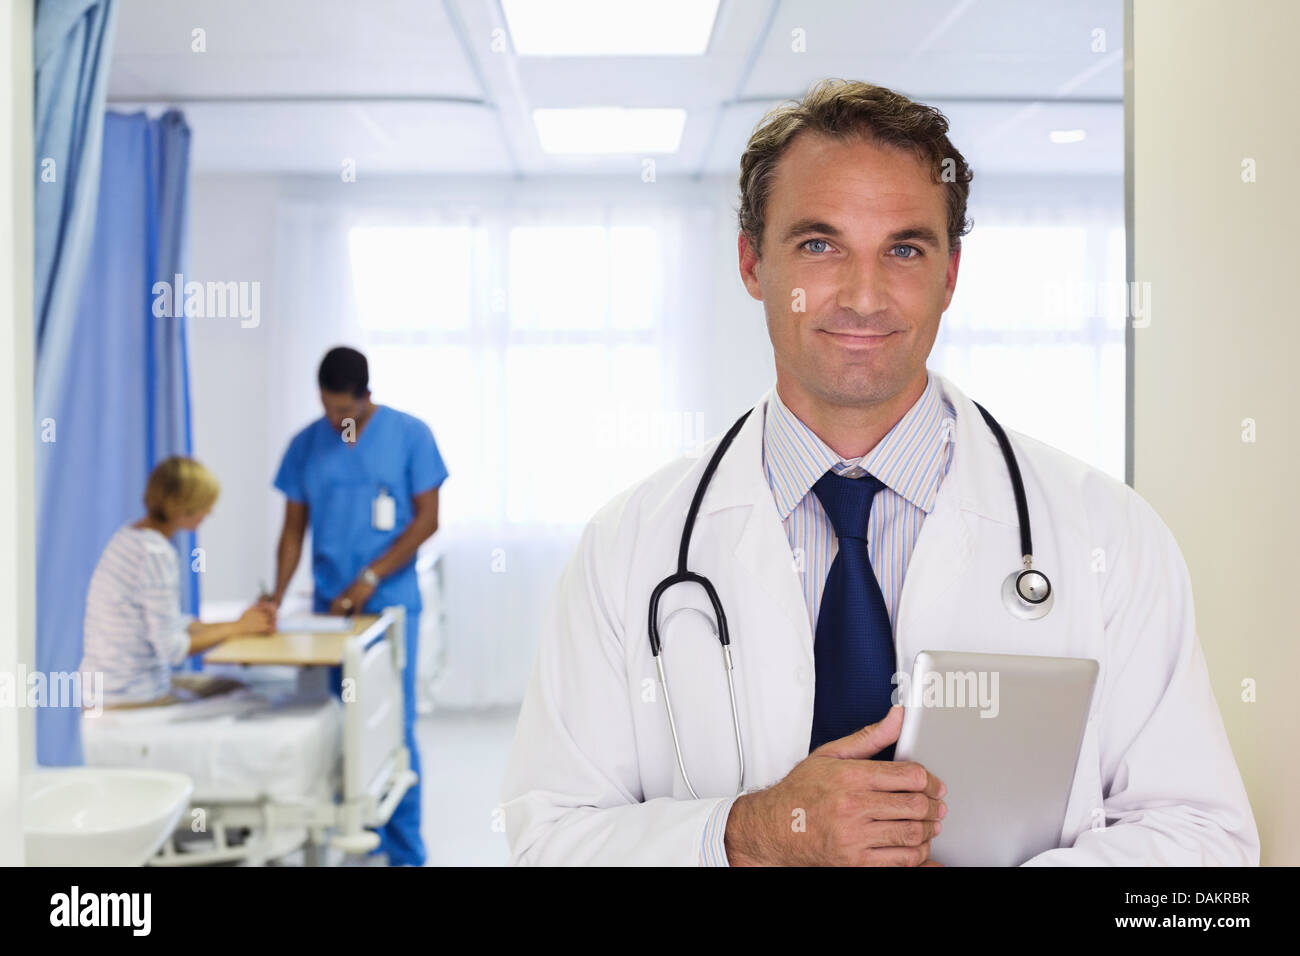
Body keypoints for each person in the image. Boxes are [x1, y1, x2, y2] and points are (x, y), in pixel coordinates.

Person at [499, 80, 1259, 866]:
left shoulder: (1106, 535)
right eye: (819, 245)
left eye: (904, 249)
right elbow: (548, 842)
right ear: (753, 263)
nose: (863, 296)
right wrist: (747, 834)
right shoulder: (628, 548)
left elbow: (1207, 849)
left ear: (950, 274)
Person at [267, 345, 448, 867]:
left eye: (344, 411)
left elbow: (427, 520)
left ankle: (405, 853)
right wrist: (277, 598)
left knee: (393, 730)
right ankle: (346, 835)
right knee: (337, 725)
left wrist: (371, 577)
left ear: (366, 397)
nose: (335, 420)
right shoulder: (307, 446)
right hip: (331, 612)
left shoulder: (410, 436)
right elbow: (293, 529)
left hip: (389, 607)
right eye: (327, 409)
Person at [80, 457, 276, 709]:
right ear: (183, 509)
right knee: (247, 697)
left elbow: (168, 623)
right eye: (205, 505)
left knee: (232, 685)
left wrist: (244, 623)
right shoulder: (156, 554)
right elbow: (173, 649)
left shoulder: (127, 538)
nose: (209, 513)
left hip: (104, 689)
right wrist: (238, 627)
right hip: (132, 697)